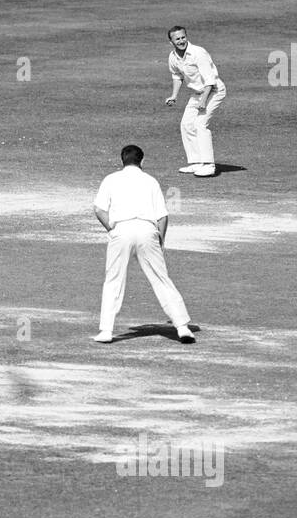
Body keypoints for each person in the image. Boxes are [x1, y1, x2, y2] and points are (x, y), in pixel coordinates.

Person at [92, 144, 196, 345]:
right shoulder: (151, 181)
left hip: (121, 230)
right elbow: (163, 216)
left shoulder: (111, 179)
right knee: (161, 279)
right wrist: (161, 240)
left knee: (113, 280)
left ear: (121, 160)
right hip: (148, 230)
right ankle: (182, 327)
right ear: (142, 161)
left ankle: (106, 330)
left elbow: (98, 209)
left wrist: (110, 229)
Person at [164, 25, 226, 177]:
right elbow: (177, 76)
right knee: (186, 124)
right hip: (197, 93)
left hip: (213, 91)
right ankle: (197, 162)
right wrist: (174, 96)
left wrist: (204, 100)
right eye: (177, 39)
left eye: (183, 37)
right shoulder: (173, 57)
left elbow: (210, 80)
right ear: (171, 42)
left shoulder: (198, 53)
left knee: (200, 124)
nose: (181, 41)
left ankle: (209, 165)